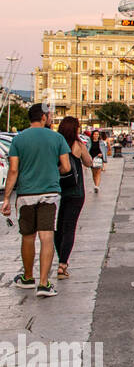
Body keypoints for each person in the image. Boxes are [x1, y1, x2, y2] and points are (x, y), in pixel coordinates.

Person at [2, 104, 71, 296]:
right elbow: (66, 167)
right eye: (49, 116)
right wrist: (52, 171)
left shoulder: (19, 139)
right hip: (49, 193)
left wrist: (7, 198)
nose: (50, 118)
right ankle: (43, 284)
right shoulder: (57, 138)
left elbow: (13, 170)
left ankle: (27, 277)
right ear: (43, 117)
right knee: (46, 236)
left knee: (28, 236)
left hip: (26, 194)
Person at [54, 117, 92, 280]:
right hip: (76, 192)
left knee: (58, 227)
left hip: (57, 191)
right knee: (70, 227)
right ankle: (63, 264)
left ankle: (60, 257)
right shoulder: (78, 145)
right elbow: (89, 162)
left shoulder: (56, 144)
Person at [87, 128, 105, 193]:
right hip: (92, 159)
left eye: (97, 134)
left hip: (99, 159)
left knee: (98, 172)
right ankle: (95, 185)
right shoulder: (89, 142)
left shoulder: (101, 142)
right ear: (92, 135)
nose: (96, 135)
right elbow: (87, 150)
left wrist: (103, 157)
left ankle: (97, 186)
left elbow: (104, 151)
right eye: (95, 134)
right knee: (94, 173)